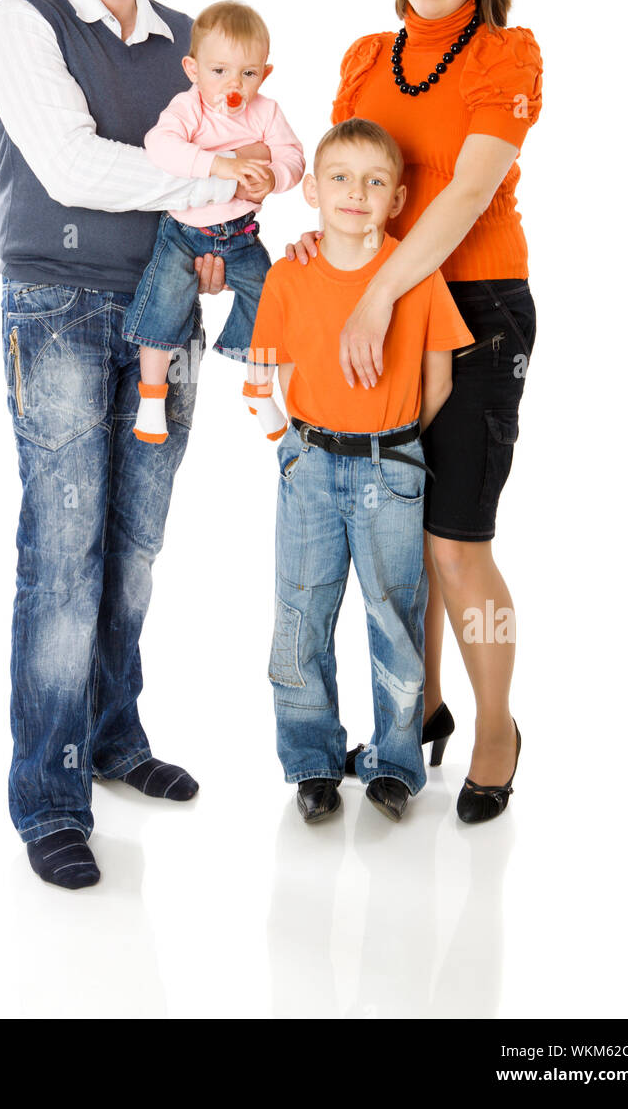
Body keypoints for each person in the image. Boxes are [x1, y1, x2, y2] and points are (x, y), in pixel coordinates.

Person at [0, 0, 265, 889]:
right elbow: (70, 166)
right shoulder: (22, 21)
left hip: (164, 314)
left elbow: (242, 179)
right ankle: (49, 798)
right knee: (64, 556)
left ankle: (111, 735)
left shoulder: (193, 43)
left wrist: (229, 225)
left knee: (134, 546)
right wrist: (213, 183)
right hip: (55, 305)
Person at [289, 0, 543, 823]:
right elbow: (352, 181)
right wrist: (324, 250)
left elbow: (467, 195)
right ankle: (420, 710)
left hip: (475, 309)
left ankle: (495, 732)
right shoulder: (368, 57)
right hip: (383, 307)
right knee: (398, 531)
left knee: (455, 544)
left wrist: (376, 292)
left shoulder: (505, 55)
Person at [249, 118, 473, 824]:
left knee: (395, 618)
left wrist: (394, 441)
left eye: (375, 181)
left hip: (392, 467)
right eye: (340, 178)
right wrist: (302, 442)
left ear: (398, 198)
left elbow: (438, 378)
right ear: (312, 190)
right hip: (310, 465)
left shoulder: (416, 273)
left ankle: (396, 763)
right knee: (301, 613)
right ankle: (313, 763)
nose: (356, 192)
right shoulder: (290, 274)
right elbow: (273, 372)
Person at [125, 0, 304, 443]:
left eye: (249, 73)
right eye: (219, 71)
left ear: (265, 74)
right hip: (184, 234)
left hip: (241, 236)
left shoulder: (266, 112)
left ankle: (259, 389)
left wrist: (275, 177)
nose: (234, 84)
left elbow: (293, 156)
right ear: (193, 69)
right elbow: (160, 147)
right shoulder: (189, 107)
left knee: (274, 302)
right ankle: (152, 399)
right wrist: (222, 165)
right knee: (165, 304)